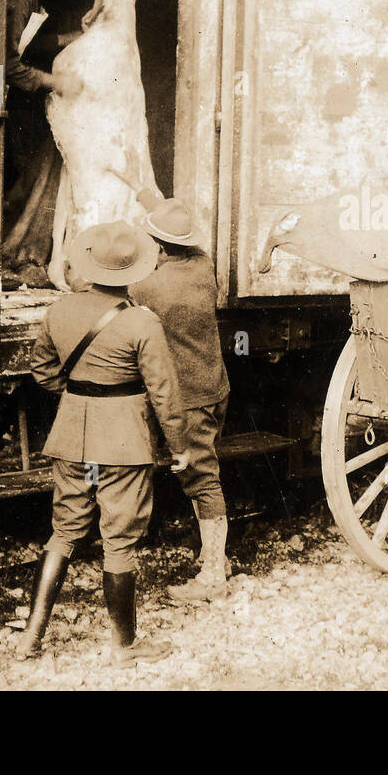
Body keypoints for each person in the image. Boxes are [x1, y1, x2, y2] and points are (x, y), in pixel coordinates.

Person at [20, 221, 190, 664]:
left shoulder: (59, 310)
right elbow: (164, 392)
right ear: (132, 273)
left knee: (64, 531)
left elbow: (42, 371)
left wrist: (80, 397)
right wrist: (180, 446)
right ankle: (124, 647)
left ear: (89, 267)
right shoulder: (142, 322)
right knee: (119, 539)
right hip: (124, 443)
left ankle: (30, 638)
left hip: (72, 436)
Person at [129, 194, 233, 603]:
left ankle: (212, 578)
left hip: (185, 399)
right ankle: (215, 559)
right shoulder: (205, 268)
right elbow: (188, 245)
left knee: (202, 479)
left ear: (156, 245)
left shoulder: (147, 285)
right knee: (201, 472)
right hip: (214, 387)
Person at [1, 0, 97, 284]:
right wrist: (56, 82)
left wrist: (69, 37)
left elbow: (28, 45)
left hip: (13, 94)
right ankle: (9, 253)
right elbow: (6, 63)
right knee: (15, 170)